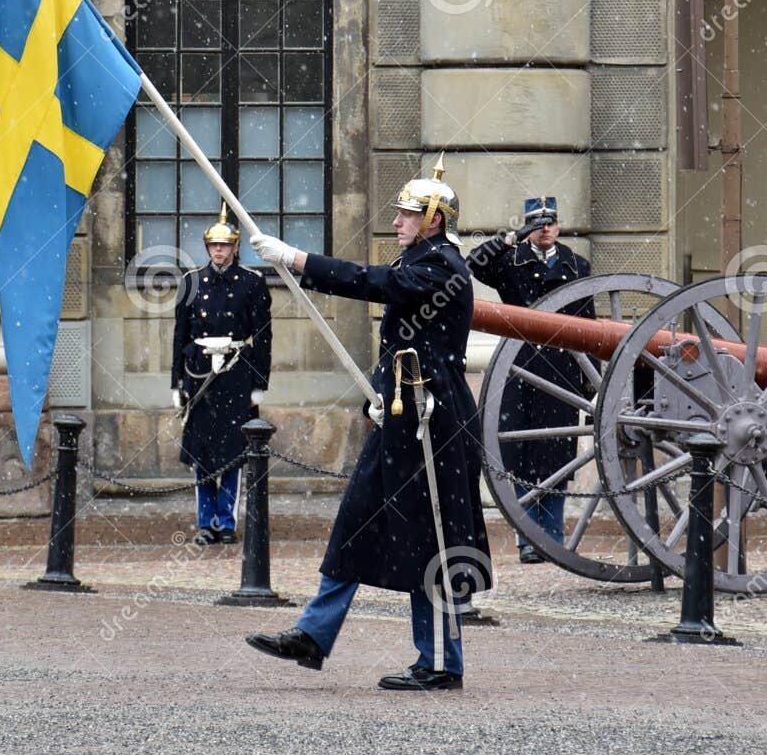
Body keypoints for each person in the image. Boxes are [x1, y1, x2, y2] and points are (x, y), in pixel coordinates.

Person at [245, 158, 491, 691]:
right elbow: (402, 342)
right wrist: (380, 395)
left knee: (432, 543)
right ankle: (313, 633)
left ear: (433, 219)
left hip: (435, 421)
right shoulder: (419, 262)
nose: (397, 221)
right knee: (356, 524)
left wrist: (298, 259)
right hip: (402, 414)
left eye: (407, 214)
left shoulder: (442, 266)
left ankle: (441, 662)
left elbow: (369, 282)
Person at [466, 196, 592, 564]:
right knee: (519, 455)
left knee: (556, 457)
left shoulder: (577, 265)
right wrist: (510, 238)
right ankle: (528, 537)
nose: (546, 229)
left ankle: (551, 536)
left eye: (551, 222)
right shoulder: (510, 262)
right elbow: (476, 264)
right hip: (519, 365)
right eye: (538, 223)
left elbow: (588, 320)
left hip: (562, 368)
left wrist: (590, 379)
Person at [171, 204, 272, 545]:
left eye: (225, 245)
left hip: (236, 375)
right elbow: (179, 336)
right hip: (199, 374)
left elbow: (264, 337)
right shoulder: (191, 282)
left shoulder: (252, 283)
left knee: (233, 455)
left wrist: (260, 383)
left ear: (235, 247)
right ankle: (205, 521)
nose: (218, 250)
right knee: (201, 455)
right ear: (207, 247)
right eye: (214, 245)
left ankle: (225, 522)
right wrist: (176, 383)